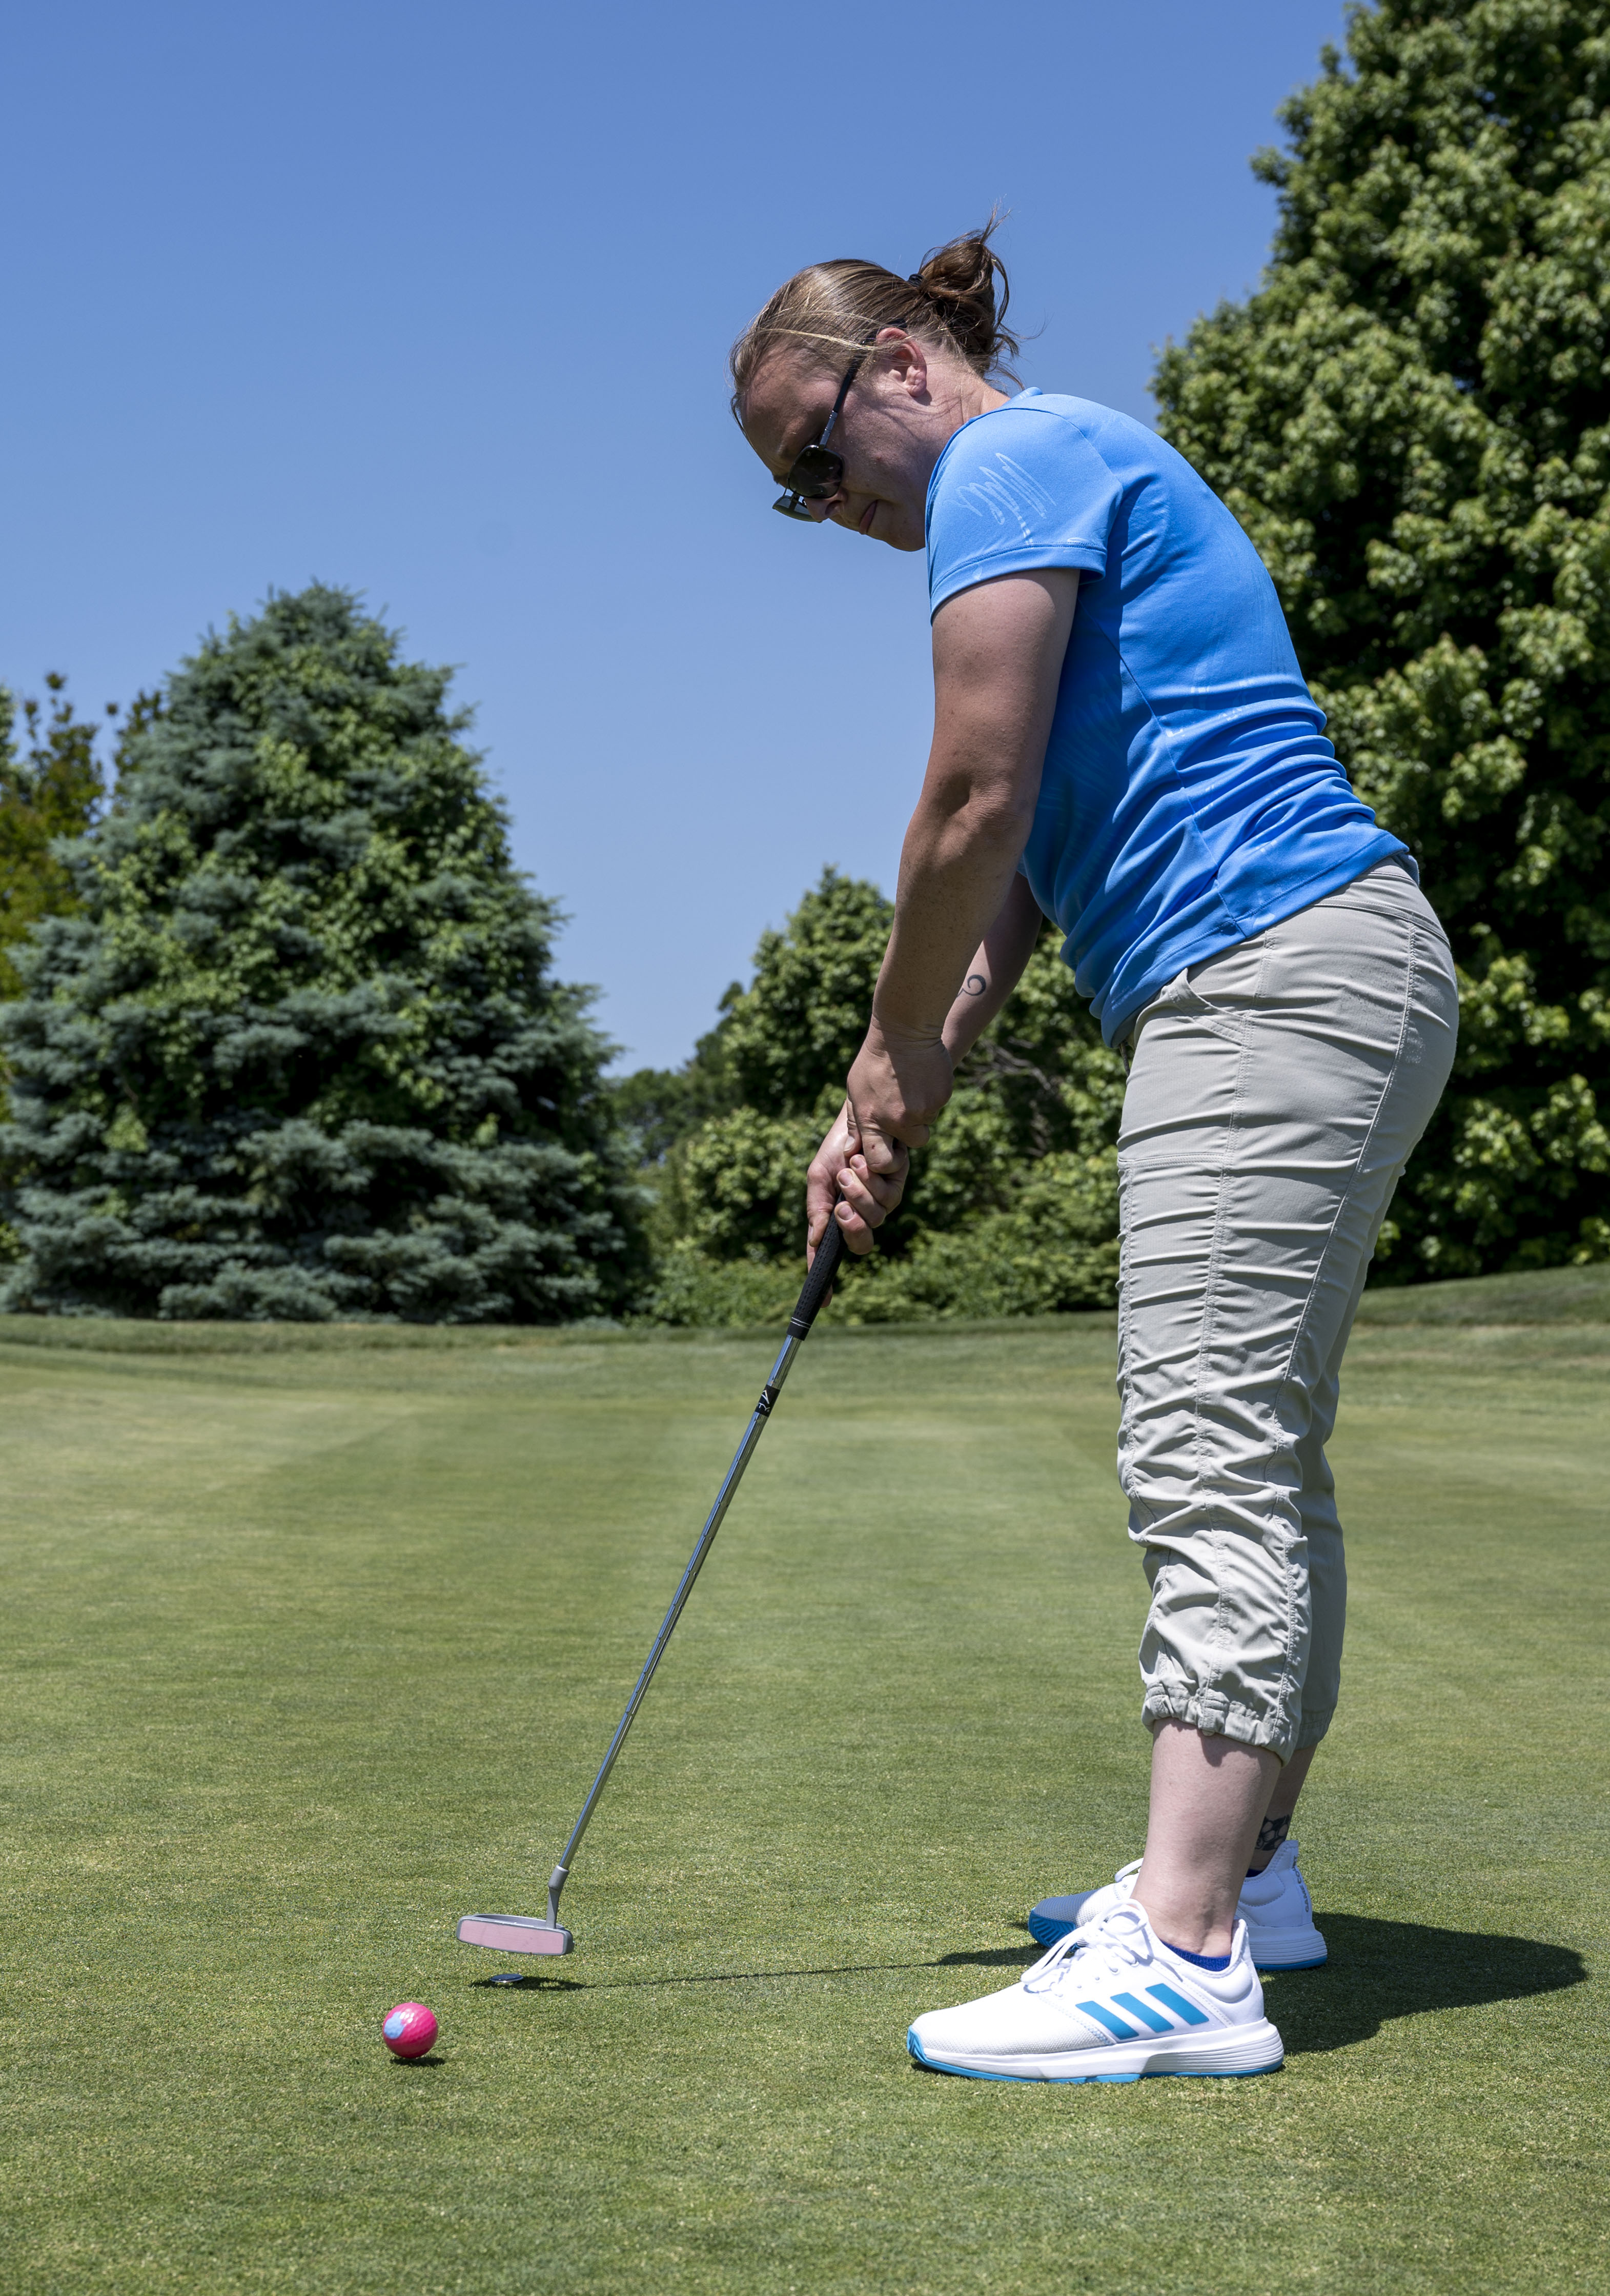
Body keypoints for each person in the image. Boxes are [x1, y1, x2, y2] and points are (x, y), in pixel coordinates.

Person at [731, 222, 1458, 2085]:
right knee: (1253, 1446)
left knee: (1203, 1435)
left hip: (1271, 970)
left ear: (903, 361)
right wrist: (882, 1107)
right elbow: (1014, 894)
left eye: (817, 460)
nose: (830, 510)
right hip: (1310, 966)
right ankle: (1248, 1880)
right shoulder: (1046, 485)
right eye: (793, 502)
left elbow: (966, 797)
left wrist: (892, 1051)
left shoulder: (1010, 460)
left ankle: (1189, 1953)